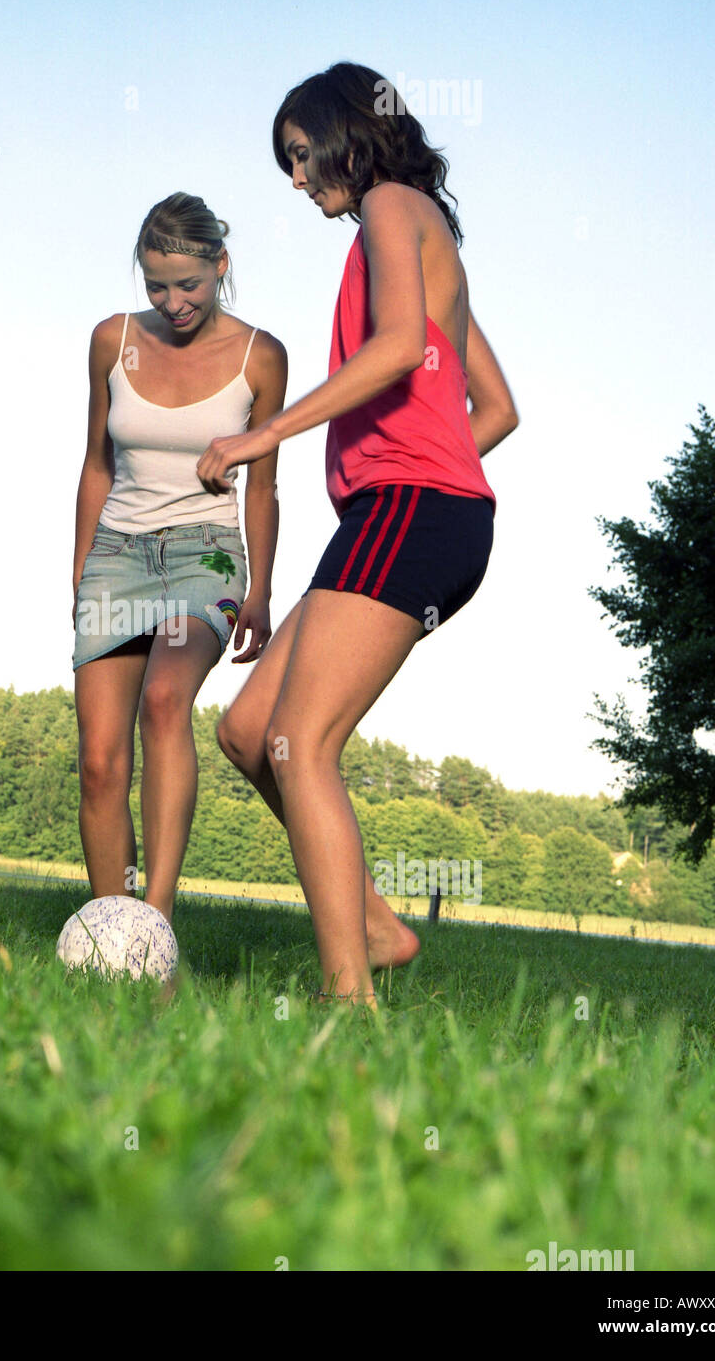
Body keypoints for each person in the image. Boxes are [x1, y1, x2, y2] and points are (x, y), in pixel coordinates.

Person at [200, 63, 519, 1005]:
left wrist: (267, 433)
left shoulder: (390, 204)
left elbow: (391, 350)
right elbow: (494, 407)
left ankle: (350, 1002)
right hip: (411, 512)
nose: (297, 181)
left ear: (348, 131)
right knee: (251, 730)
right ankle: (375, 923)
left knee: (300, 737)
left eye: (301, 156)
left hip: (412, 510)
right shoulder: (420, 232)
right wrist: (443, 459)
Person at [72, 193, 287, 924]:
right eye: (156, 284)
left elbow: (264, 486)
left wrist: (258, 589)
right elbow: (96, 464)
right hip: (117, 555)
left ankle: (155, 925)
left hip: (209, 558)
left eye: (188, 284)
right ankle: (112, 932)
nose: (172, 301)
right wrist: (81, 571)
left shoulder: (262, 356)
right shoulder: (113, 339)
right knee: (100, 761)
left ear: (219, 267)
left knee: (164, 702)